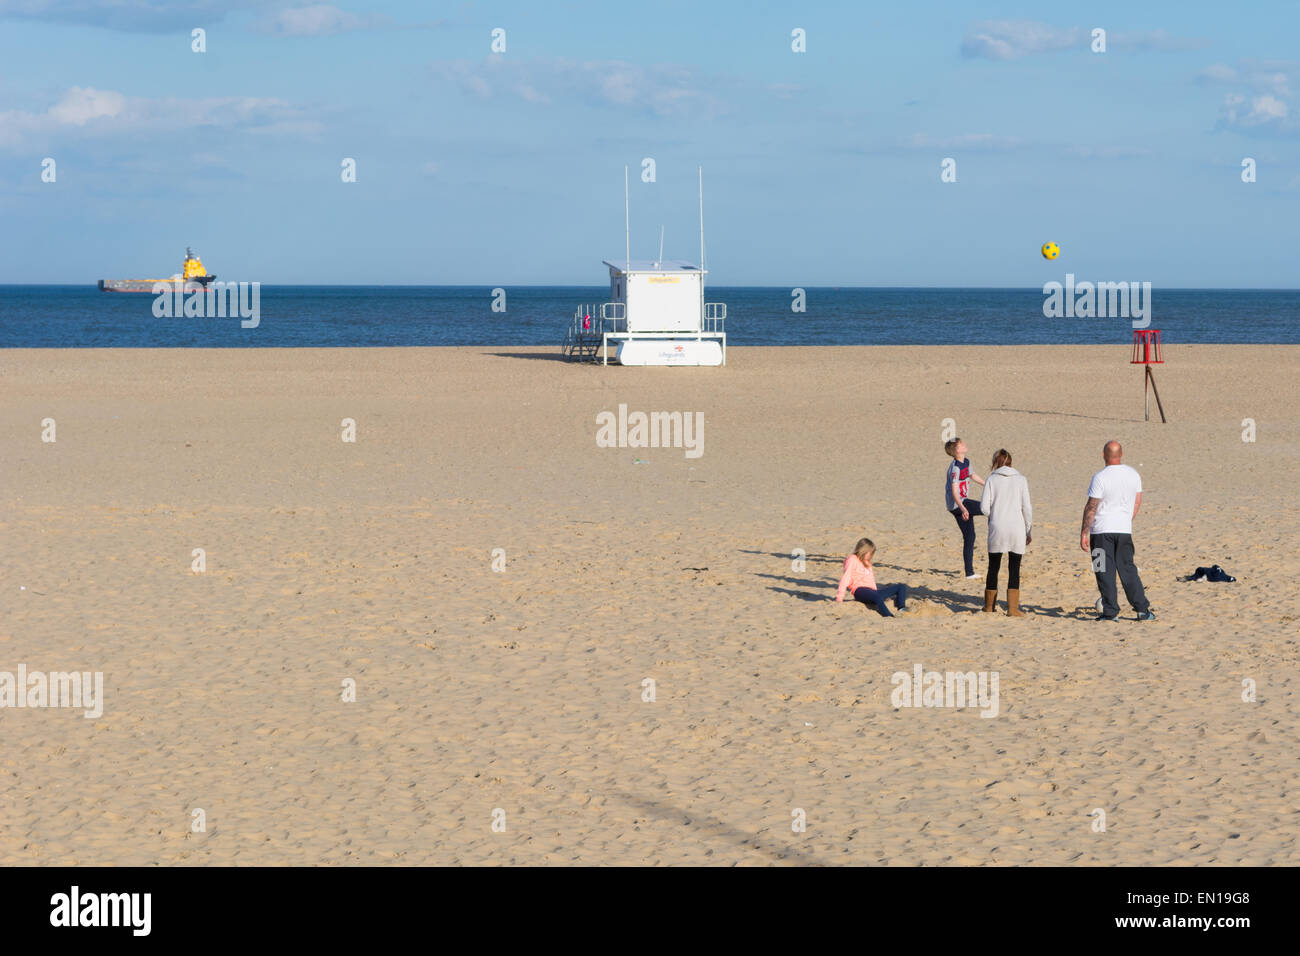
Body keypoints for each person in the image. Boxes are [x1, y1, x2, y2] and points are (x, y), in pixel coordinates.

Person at [1080, 440, 1155, 621]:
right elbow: (1137, 502)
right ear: (1121, 455)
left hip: (1101, 531)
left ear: (1103, 455)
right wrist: (1126, 520)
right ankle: (1142, 609)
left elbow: (1092, 506)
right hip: (1123, 529)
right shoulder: (1133, 475)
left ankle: (1111, 611)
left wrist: (1084, 532)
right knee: (1127, 569)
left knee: (1103, 570)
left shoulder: (1100, 477)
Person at [981, 449, 1032, 616]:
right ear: (1011, 462)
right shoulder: (1021, 479)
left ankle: (989, 606)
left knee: (993, 566)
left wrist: (993, 514)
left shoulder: (991, 479)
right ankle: (1012, 609)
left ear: (995, 462)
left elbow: (984, 508)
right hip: (1016, 527)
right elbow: (1027, 508)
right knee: (1014, 567)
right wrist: (1028, 529)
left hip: (997, 526)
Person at [943, 438, 986, 579]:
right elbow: (955, 492)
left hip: (962, 502)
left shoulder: (966, 461)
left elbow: (972, 475)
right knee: (986, 507)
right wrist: (963, 509)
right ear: (956, 451)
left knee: (969, 537)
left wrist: (987, 484)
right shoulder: (955, 468)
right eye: (961, 444)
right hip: (957, 505)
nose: (964, 444)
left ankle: (969, 573)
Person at [834, 537, 909, 617]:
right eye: (870, 553)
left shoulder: (867, 563)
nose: (871, 556)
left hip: (872, 592)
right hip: (859, 590)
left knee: (901, 586)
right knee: (877, 596)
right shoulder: (852, 559)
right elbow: (846, 577)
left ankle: (901, 608)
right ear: (863, 550)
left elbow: (871, 580)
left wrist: (875, 592)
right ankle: (889, 616)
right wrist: (839, 598)